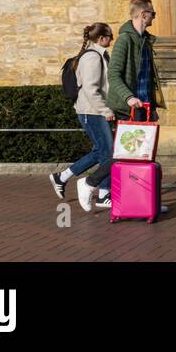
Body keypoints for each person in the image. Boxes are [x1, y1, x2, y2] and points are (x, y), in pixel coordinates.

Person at [49, 23, 115, 211]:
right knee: (109, 154)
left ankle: (61, 177)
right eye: (110, 36)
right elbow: (91, 89)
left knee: (100, 151)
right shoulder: (93, 58)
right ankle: (103, 193)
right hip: (92, 112)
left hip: (92, 111)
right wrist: (106, 111)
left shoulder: (98, 55)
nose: (112, 40)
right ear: (101, 38)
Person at [108, 0, 165, 121]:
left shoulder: (146, 40)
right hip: (128, 110)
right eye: (153, 13)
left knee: (148, 141)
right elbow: (113, 75)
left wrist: (152, 106)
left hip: (145, 107)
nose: (154, 17)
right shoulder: (124, 40)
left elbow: (147, 77)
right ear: (144, 15)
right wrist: (129, 98)